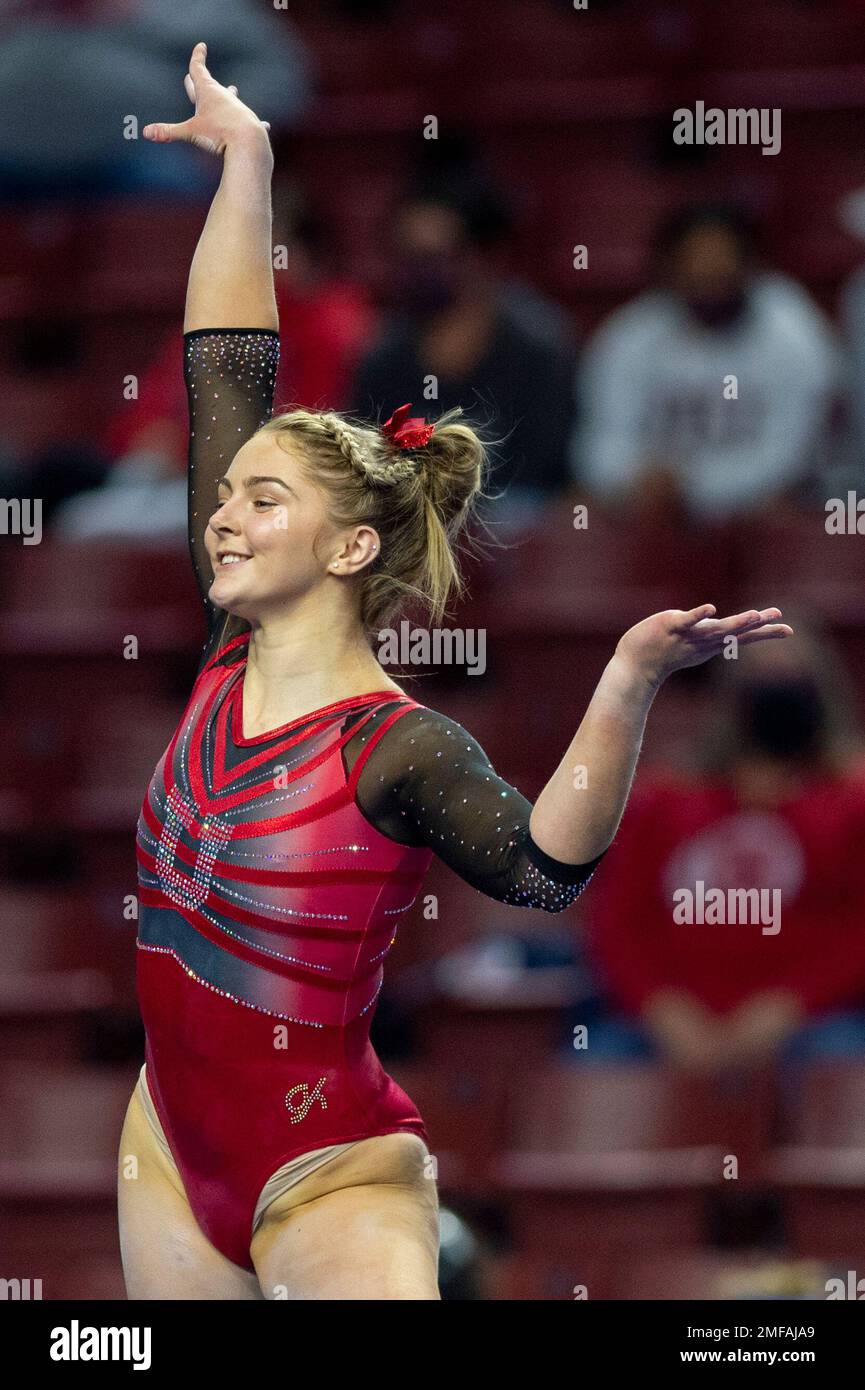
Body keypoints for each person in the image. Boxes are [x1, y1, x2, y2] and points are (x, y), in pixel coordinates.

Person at [116, 42, 793, 1301]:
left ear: (349, 544)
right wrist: (250, 163)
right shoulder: (227, 650)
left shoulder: (398, 747)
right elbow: (227, 360)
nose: (222, 515)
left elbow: (543, 870)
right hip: (166, 1142)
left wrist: (631, 675)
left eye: (260, 501)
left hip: (328, 1171)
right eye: (229, 497)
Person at [568, 617, 865, 1073]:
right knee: (593, 1068)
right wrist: (664, 1012)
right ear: (732, 693)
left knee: (843, 1064)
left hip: (815, 1023)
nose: (777, 691)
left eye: (790, 677)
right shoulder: (663, 801)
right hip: (662, 1027)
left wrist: (790, 1005)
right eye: (763, 677)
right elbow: (617, 926)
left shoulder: (852, 799)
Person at [572, 203, 840, 524]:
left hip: (760, 506)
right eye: (695, 259)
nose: (708, 272)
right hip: (652, 508)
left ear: (751, 264)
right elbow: (601, 444)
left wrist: (692, 484)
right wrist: (634, 478)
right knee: (578, 511)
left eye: (721, 259)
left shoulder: (794, 334)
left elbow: (793, 454)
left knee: (783, 507)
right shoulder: (630, 337)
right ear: (668, 266)